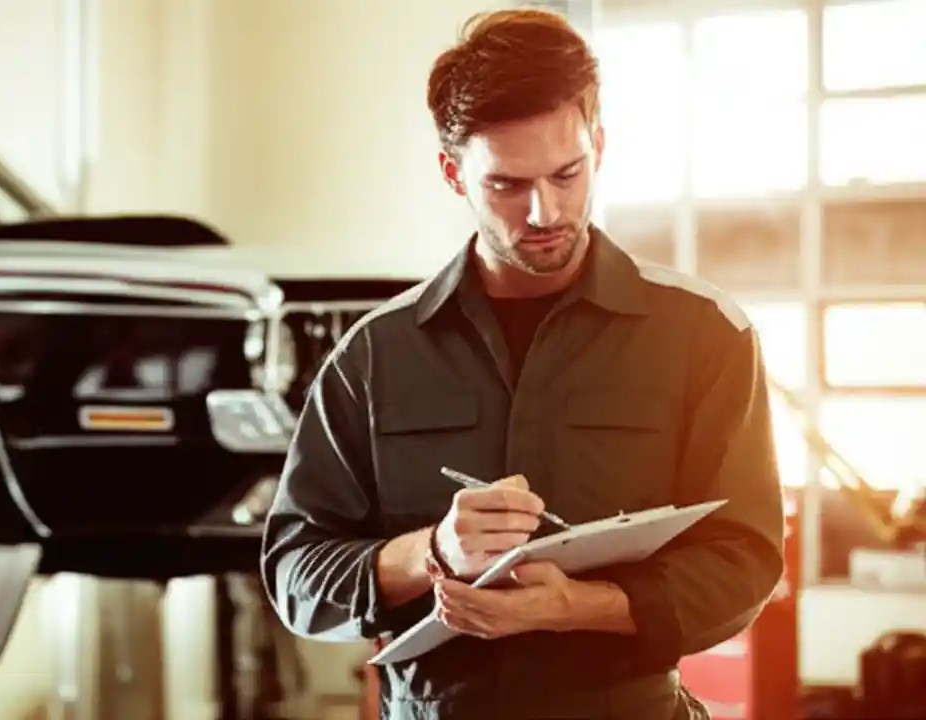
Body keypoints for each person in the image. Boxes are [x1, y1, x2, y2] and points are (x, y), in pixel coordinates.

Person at [260, 8, 785, 719]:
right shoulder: (373, 357)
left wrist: (577, 606)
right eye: (507, 185)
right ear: (453, 174)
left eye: (567, 173)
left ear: (598, 145)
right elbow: (296, 573)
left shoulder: (703, 336)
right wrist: (433, 552)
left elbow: (744, 561)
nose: (544, 212)